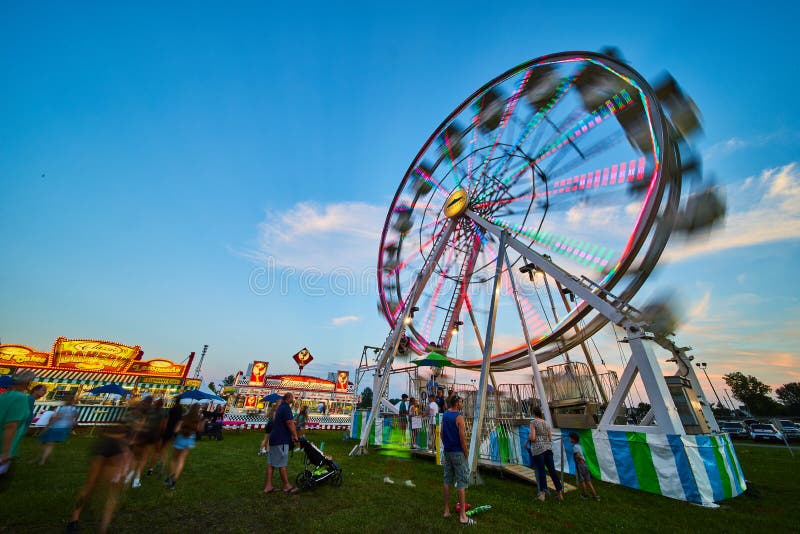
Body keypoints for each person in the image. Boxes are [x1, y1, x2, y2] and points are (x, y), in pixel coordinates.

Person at [441, 394, 473, 526]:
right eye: (461, 402)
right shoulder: (459, 417)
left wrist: (447, 445)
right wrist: (466, 453)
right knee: (461, 481)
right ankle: (462, 516)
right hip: (458, 452)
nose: (462, 403)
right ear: (456, 403)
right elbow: (462, 438)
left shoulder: (445, 415)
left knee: (447, 480)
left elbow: (442, 434)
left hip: (447, 451)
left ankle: (446, 510)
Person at [0, 370, 36, 486]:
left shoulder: (5, 396)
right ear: (28, 383)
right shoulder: (21, 398)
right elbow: (11, 426)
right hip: (4, 447)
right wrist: (6, 452)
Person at [263, 392, 299, 494]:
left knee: (271, 464)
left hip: (274, 438)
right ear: (289, 398)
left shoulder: (280, 408)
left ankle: (268, 486)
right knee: (282, 463)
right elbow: (289, 422)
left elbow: (281, 421)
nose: (294, 399)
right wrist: (295, 436)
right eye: (293, 397)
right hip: (281, 439)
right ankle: (287, 486)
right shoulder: (286, 408)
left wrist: (291, 422)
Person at [166, 403, 204, 489]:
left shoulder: (184, 417)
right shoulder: (198, 419)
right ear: (198, 410)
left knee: (174, 459)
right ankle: (174, 481)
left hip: (181, 438)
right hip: (190, 440)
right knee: (181, 460)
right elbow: (199, 429)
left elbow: (176, 429)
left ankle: (169, 476)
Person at [528, 407, 563, 502]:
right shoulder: (546, 423)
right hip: (548, 449)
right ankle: (560, 493)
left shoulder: (533, 422)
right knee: (552, 471)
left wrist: (529, 436)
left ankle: (542, 495)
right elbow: (550, 437)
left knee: (541, 472)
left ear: (533, 413)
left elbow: (533, 438)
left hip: (538, 450)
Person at [37, 393, 78, 465]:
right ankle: (47, 458)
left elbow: (56, 418)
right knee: (49, 443)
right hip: (64, 428)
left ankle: (42, 460)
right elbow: (75, 420)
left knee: (46, 443)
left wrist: (47, 426)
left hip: (56, 427)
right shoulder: (74, 409)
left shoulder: (63, 408)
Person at [569, 432, 599, 501]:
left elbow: (578, 455)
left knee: (582, 481)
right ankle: (595, 495)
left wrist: (579, 460)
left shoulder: (575, 447)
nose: (569, 439)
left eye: (570, 438)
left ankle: (585, 495)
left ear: (573, 439)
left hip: (580, 465)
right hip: (585, 465)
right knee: (588, 481)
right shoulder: (579, 446)